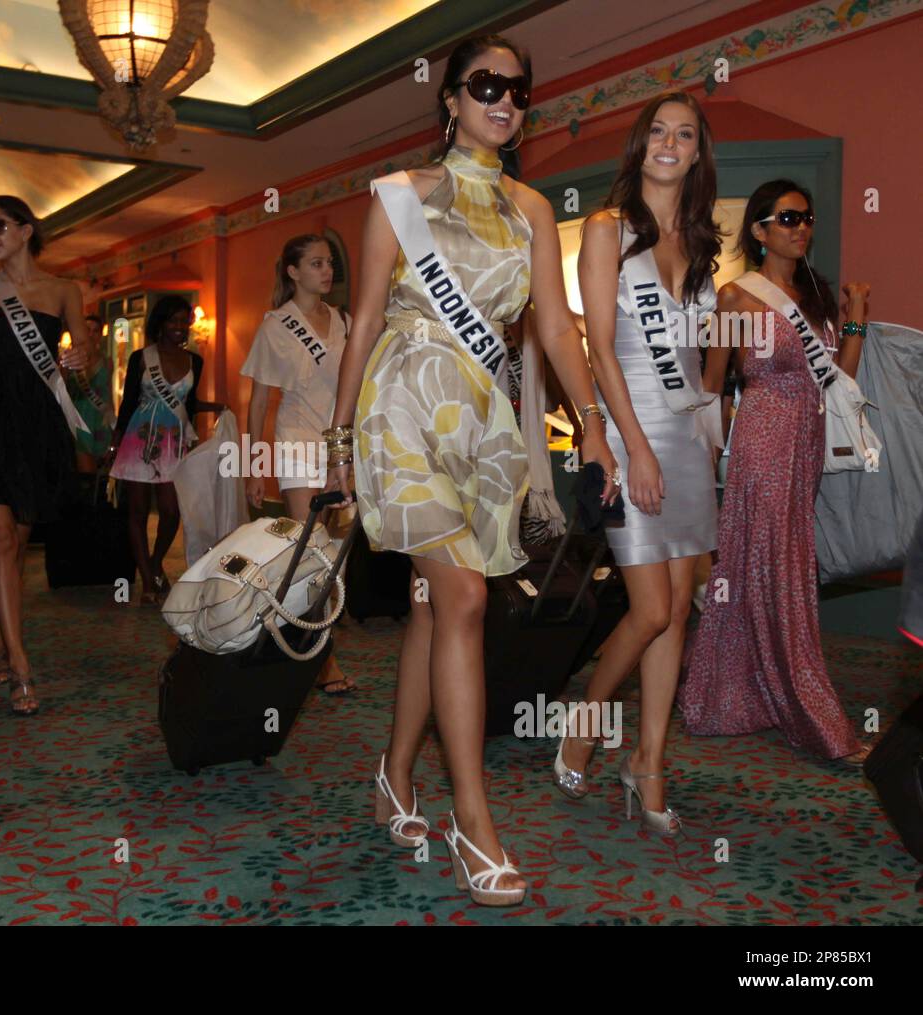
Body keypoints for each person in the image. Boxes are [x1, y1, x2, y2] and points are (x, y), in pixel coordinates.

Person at [324, 35, 617, 907]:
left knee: (431, 603)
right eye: (487, 85)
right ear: (449, 98)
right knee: (462, 599)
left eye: (519, 90)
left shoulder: (530, 207)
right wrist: (337, 443)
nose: (506, 100)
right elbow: (367, 318)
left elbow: (557, 330)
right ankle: (473, 818)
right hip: (403, 407)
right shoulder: (397, 197)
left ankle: (393, 774)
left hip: (484, 424)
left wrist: (593, 425)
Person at [562, 92, 724, 835]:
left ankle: (650, 761)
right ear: (641, 145)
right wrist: (635, 446)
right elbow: (597, 345)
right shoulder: (606, 230)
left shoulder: (696, 242)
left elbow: (696, 359)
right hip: (634, 438)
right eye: (657, 130)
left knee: (678, 610)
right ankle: (585, 721)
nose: (669, 142)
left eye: (683, 134)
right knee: (650, 608)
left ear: (696, 154)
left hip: (687, 439)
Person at [679, 179, 872, 763]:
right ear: (759, 230)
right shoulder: (736, 298)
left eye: (807, 218)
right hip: (762, 446)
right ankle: (813, 718)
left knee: (765, 567)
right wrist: (702, 471)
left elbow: (839, 380)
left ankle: (732, 695)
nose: (801, 228)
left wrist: (855, 319)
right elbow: (713, 388)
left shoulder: (814, 297)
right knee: (774, 571)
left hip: (806, 445)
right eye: (788, 218)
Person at [0, 195, 93, 716]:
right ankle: (20, 663)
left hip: (36, 424)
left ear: (27, 230)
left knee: (21, 534)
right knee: (1, 538)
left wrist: (80, 356)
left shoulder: (62, 290)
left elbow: (86, 355)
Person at [241, 234, 356, 694]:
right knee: (311, 551)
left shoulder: (345, 320)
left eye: (328, 262)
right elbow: (257, 403)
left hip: (340, 446)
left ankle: (300, 633)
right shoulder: (275, 326)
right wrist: (254, 466)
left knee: (336, 561)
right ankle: (322, 660)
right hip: (295, 443)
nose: (326, 271)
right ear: (292, 272)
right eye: (315, 264)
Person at [109, 296, 225, 605]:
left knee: (172, 511)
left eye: (184, 322)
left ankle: (155, 561)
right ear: (159, 324)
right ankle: (147, 578)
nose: (179, 327)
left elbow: (187, 404)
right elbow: (129, 402)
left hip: (174, 441)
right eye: (173, 321)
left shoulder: (195, 361)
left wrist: (216, 407)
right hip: (138, 439)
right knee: (136, 511)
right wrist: (115, 442)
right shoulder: (141, 357)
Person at [69, 313, 116, 474]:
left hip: (99, 419)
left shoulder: (107, 361)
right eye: (87, 329)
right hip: (77, 418)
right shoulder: (68, 360)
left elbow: (109, 393)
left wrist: (113, 424)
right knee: (81, 470)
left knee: (99, 472)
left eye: (96, 330)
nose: (91, 334)